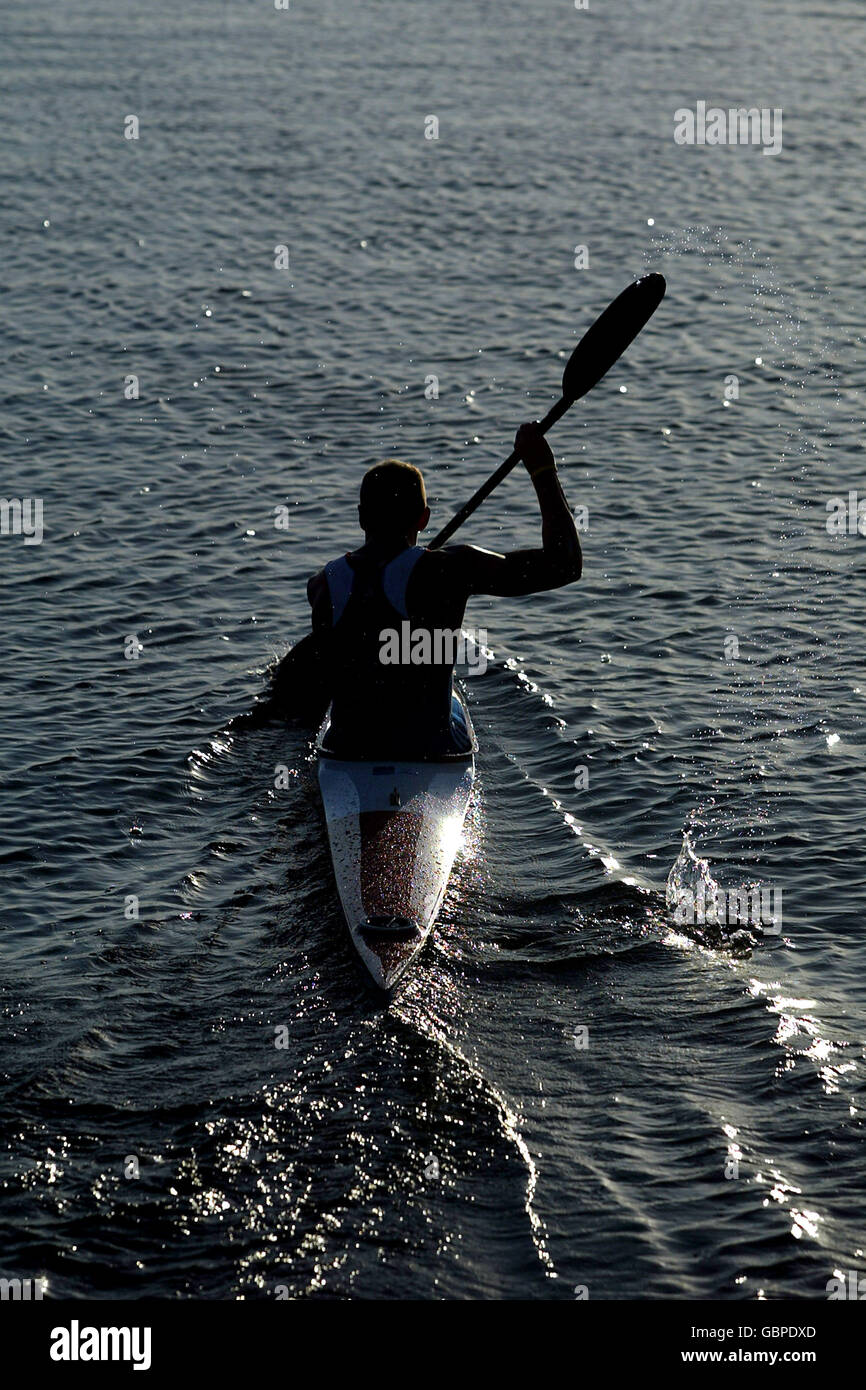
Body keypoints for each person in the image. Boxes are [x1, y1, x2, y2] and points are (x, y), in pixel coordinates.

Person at [306, 422, 582, 759]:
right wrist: (541, 466)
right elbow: (564, 564)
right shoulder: (449, 569)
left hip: (346, 749)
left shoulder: (322, 584)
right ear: (423, 520)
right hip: (428, 748)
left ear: (362, 518)